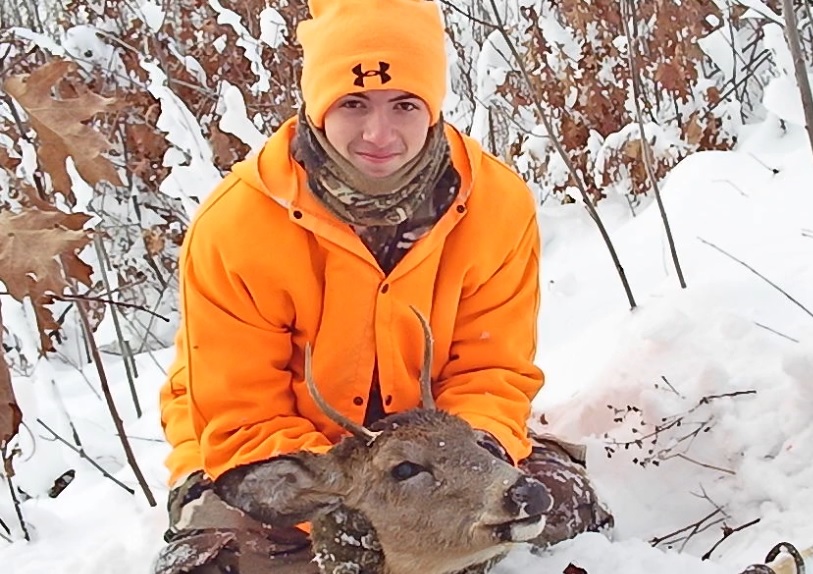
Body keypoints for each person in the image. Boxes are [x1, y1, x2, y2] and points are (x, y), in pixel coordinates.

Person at [154, 1, 612, 573]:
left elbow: (491, 371)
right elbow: (241, 416)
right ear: (316, 108)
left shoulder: (495, 205)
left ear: (433, 107)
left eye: (403, 104)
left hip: (437, 452)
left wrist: (474, 460)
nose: (379, 133)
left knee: (568, 515)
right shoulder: (235, 226)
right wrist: (354, 504)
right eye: (352, 104)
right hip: (279, 466)